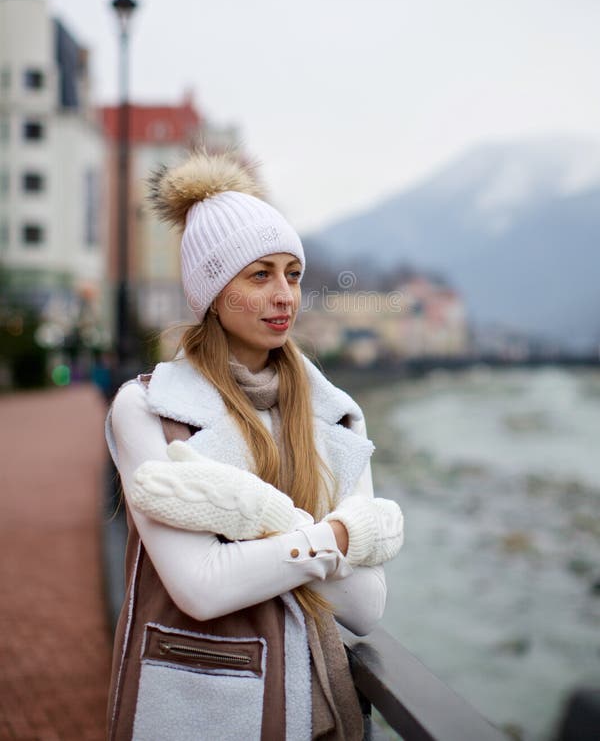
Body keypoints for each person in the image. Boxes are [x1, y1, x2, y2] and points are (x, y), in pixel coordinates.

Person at [105, 151, 404, 741]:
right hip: (200, 709)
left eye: (293, 273)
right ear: (214, 292)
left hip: (317, 716)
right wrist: (334, 537)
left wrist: (253, 522)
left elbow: (367, 606)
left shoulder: (337, 417)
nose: (285, 295)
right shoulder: (147, 410)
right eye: (260, 274)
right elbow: (201, 588)